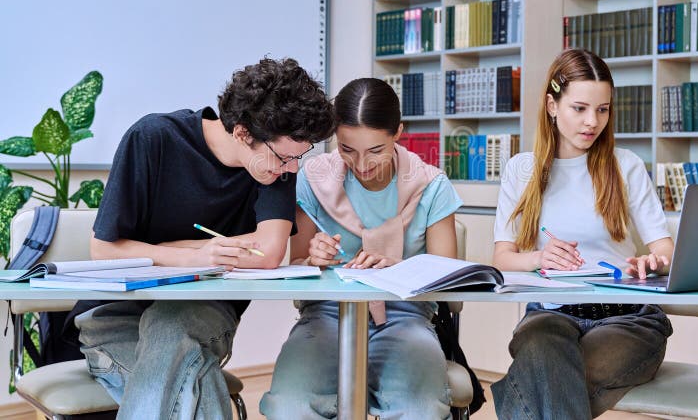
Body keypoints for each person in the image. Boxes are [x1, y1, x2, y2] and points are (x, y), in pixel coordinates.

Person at [73, 57, 335, 420]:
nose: (292, 169)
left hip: (201, 314)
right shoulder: (153, 139)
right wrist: (195, 257)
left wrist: (163, 249)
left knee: (172, 327)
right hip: (117, 318)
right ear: (243, 133)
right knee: (197, 394)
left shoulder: (277, 169)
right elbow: (102, 249)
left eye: (299, 158)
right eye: (285, 158)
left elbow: (271, 252)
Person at [260, 77, 462, 420]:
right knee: (289, 405)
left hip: (405, 316)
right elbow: (296, 261)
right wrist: (314, 256)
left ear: (398, 132)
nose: (362, 164)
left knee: (421, 409)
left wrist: (397, 268)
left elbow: (446, 277)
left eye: (376, 151)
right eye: (347, 149)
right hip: (326, 315)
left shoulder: (431, 184)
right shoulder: (313, 178)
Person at [490, 49, 675, 419]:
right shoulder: (521, 170)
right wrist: (538, 258)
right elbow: (502, 258)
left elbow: (664, 248)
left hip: (628, 320)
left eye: (603, 110)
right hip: (550, 315)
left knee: (542, 373)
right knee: (545, 355)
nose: (593, 122)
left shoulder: (626, 166)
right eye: (580, 108)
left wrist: (653, 261)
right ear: (552, 105)